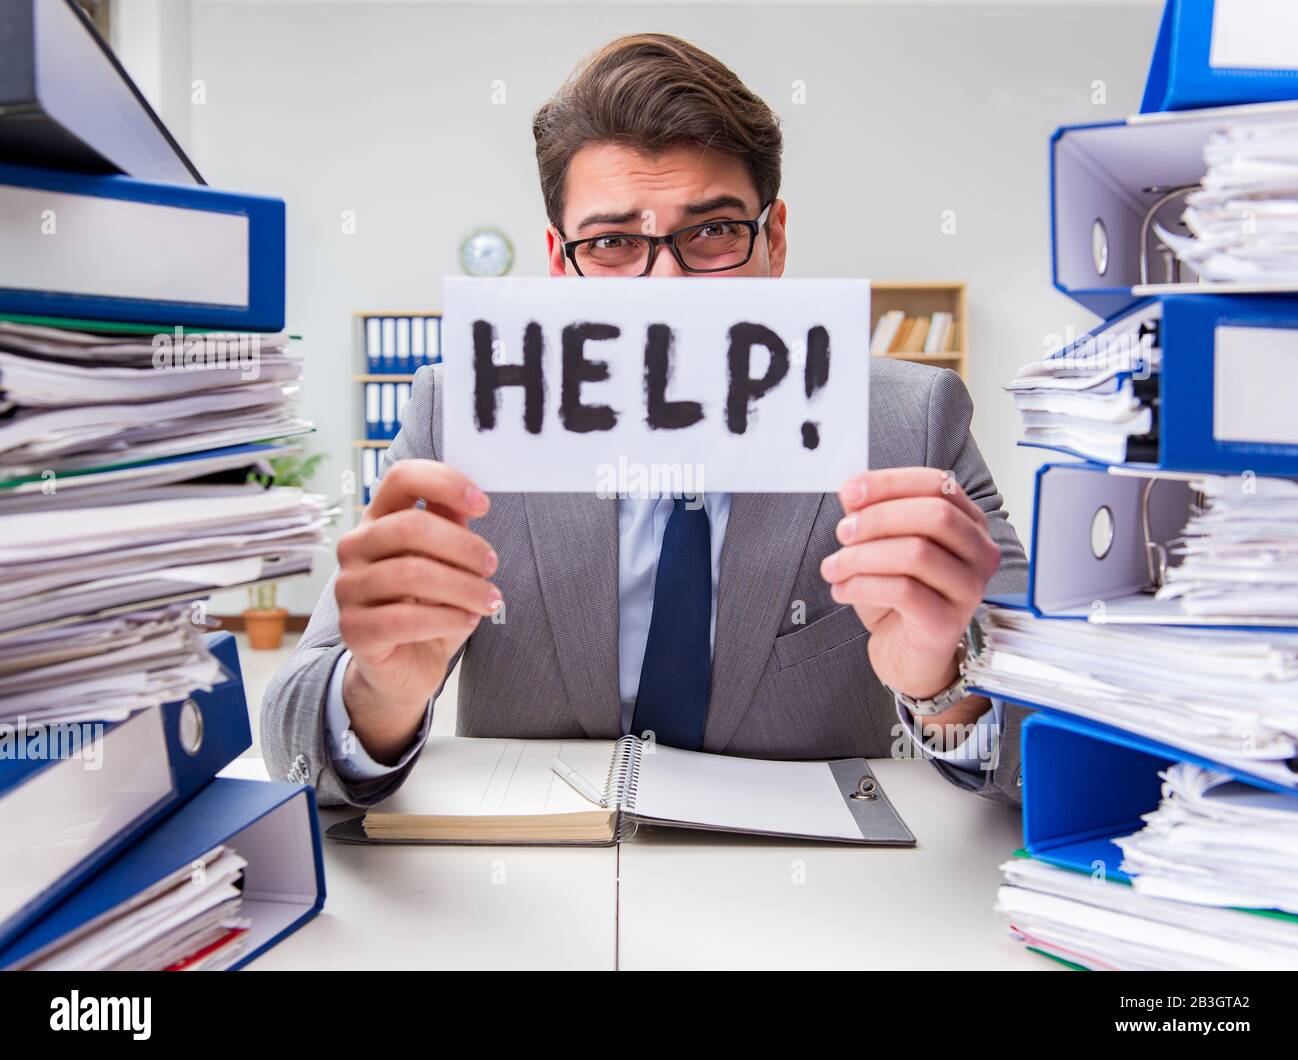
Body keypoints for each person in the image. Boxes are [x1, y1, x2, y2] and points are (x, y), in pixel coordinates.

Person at [263, 33, 1029, 808]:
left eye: (713, 232)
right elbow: (290, 750)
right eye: (613, 242)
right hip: (533, 901)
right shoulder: (460, 419)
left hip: (811, 904)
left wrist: (945, 683)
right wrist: (380, 695)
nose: (666, 283)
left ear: (775, 241)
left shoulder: (910, 422)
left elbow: (1064, 745)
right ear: (561, 265)